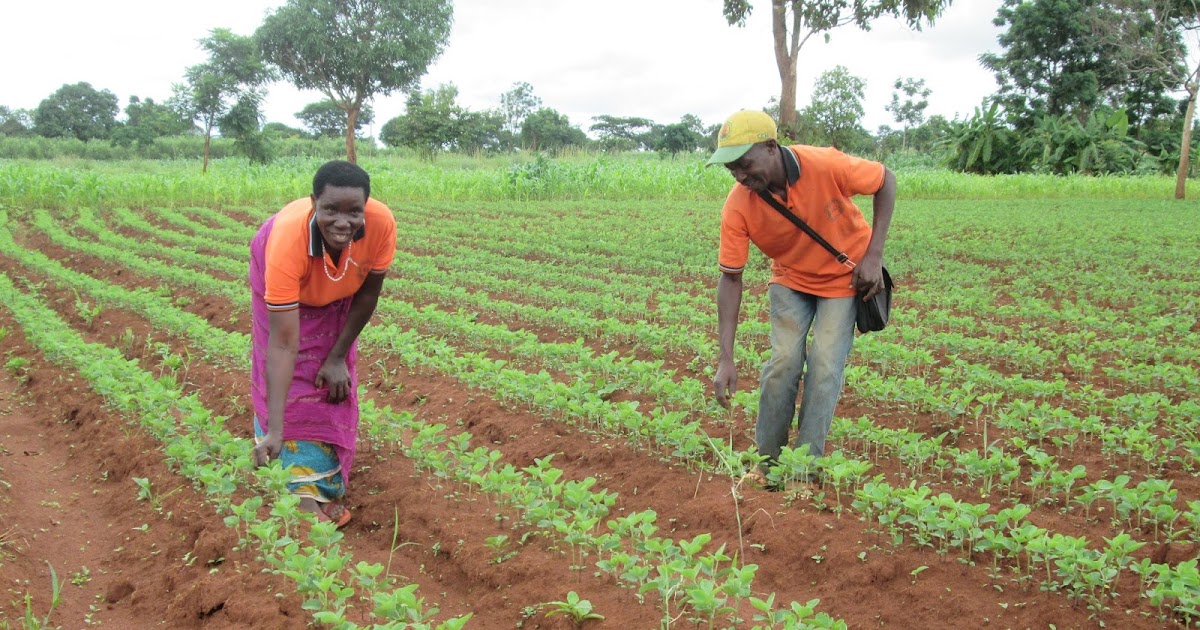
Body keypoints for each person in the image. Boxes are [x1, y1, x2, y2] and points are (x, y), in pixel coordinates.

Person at [707, 110, 896, 487]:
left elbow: (885, 180)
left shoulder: (825, 165)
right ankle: (766, 466)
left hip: (845, 278)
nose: (741, 176)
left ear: (771, 147)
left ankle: (803, 473)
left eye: (745, 163)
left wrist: (873, 256)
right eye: (732, 170)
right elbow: (730, 280)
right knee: (783, 364)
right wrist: (725, 358)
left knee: (825, 365)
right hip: (791, 278)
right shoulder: (739, 205)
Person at [248, 160, 396, 526]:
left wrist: (337, 355)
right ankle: (294, 481)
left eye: (354, 212)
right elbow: (282, 345)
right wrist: (276, 431)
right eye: (330, 209)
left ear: (367, 207)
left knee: (333, 385)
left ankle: (319, 485)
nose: (343, 222)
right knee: (295, 379)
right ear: (313, 202)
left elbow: (368, 295)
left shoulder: (380, 225)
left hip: (341, 293)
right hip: (288, 287)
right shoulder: (285, 242)